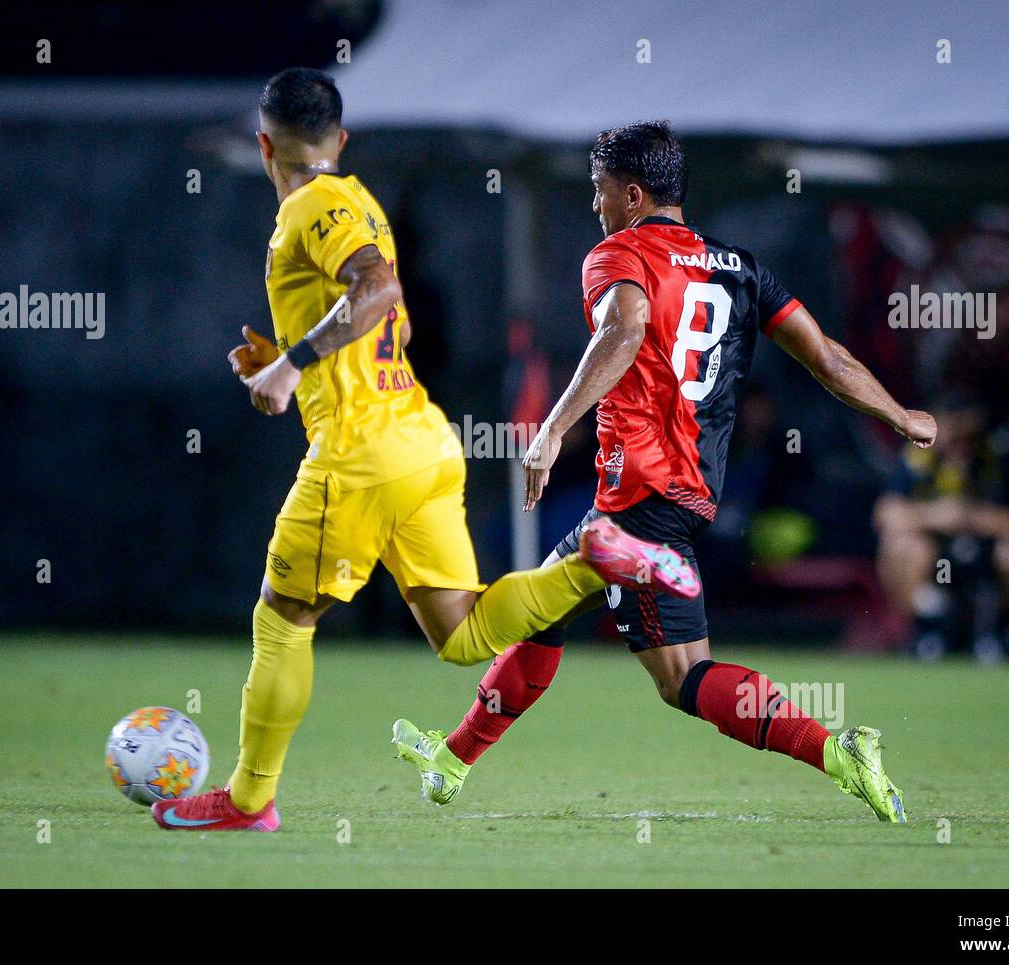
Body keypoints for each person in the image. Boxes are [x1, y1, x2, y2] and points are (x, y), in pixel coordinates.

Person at [151, 75, 695, 833]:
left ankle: (247, 801)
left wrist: (289, 365)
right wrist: (286, 353)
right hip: (421, 440)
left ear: (263, 145)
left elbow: (377, 290)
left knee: (283, 618)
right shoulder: (360, 202)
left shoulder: (313, 204)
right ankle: (594, 561)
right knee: (465, 635)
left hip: (361, 452)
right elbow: (391, 327)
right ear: (340, 141)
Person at [393, 121, 938, 823]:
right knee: (545, 619)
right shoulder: (740, 268)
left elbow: (625, 328)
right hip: (683, 492)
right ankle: (453, 758)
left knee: (683, 678)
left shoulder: (617, 253)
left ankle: (836, 750)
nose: (595, 207)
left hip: (640, 498)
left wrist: (553, 428)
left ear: (630, 193)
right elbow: (827, 358)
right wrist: (901, 415)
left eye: (598, 193)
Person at [874, 399, 1009, 661]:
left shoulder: (992, 459)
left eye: (967, 435)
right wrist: (935, 516)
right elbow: (885, 514)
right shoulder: (917, 458)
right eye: (953, 433)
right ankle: (924, 627)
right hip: (934, 549)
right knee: (903, 546)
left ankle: (1004, 626)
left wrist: (968, 517)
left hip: (984, 550)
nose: (961, 443)